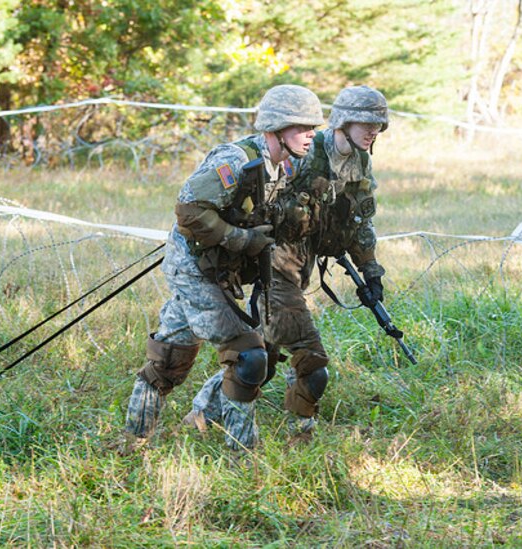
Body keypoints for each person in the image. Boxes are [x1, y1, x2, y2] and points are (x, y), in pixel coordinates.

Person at [182, 85, 391, 441]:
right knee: (308, 356)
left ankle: (202, 412)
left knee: (263, 355)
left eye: (379, 126)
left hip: (302, 263)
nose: (373, 131)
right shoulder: (305, 153)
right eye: (366, 123)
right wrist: (240, 240)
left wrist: (370, 270)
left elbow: (361, 221)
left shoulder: (360, 162)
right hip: (276, 262)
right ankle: (300, 431)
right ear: (343, 121)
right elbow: (257, 196)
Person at [123, 85, 325, 450]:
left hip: (218, 270)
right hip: (193, 269)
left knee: (169, 357)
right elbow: (189, 211)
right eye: (302, 126)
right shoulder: (235, 161)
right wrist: (241, 240)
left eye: (313, 127)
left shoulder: (284, 165)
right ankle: (241, 454)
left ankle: (134, 437)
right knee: (248, 356)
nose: (311, 134)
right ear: (276, 127)